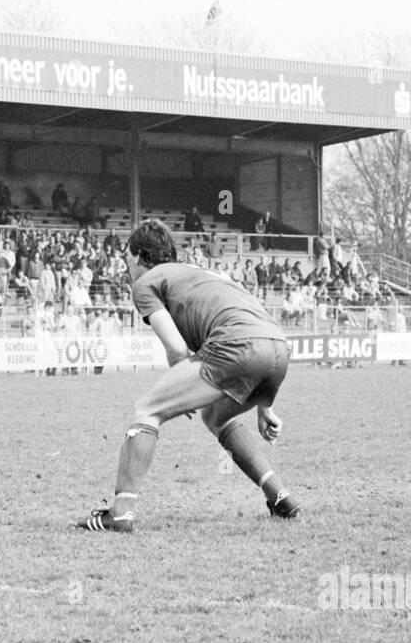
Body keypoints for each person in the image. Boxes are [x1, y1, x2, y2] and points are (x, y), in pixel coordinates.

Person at [75, 220, 298, 533]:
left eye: (127, 257)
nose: (126, 264)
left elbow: (178, 349)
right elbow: (252, 324)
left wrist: (179, 387)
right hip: (277, 348)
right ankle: (280, 496)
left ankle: (121, 514)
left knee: (147, 409)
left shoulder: (146, 282)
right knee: (216, 417)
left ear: (140, 256)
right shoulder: (198, 272)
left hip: (237, 345)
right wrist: (265, 406)